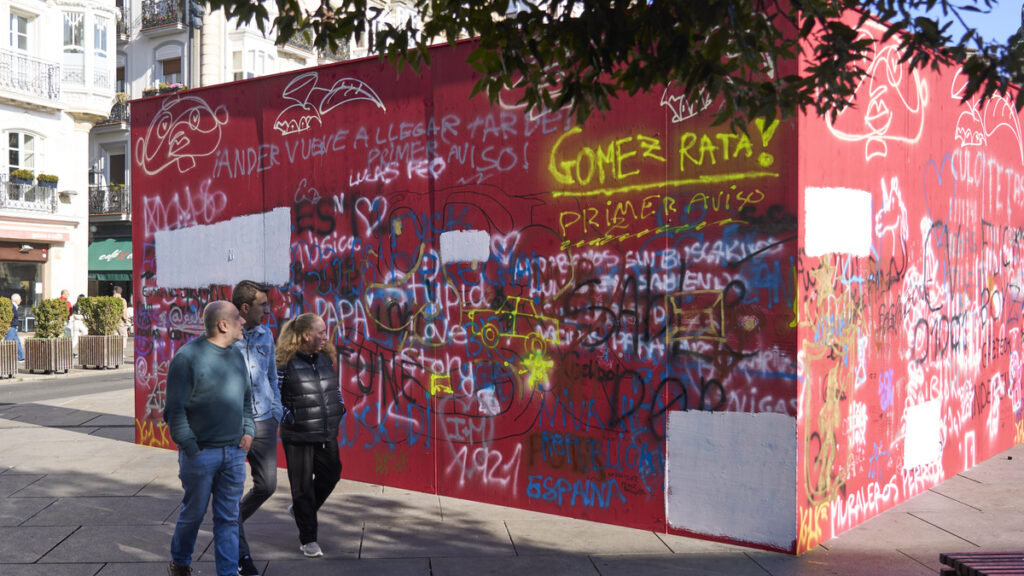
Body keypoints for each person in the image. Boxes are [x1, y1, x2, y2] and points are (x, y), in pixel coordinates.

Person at [163, 301, 254, 576]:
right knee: (193, 514)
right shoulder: (187, 358)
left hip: (234, 454)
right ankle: (180, 563)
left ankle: (228, 572)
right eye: (238, 318)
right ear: (223, 325)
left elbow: (247, 399)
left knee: (228, 518)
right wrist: (191, 447)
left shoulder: (237, 355)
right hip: (201, 455)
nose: (244, 322)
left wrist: (248, 428)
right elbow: (174, 411)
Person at [277, 313, 345, 558]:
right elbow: (273, 394)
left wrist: (340, 406)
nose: (326, 336)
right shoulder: (285, 361)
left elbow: (334, 387)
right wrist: (288, 416)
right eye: (321, 332)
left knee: (332, 472)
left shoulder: (325, 357)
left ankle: (300, 511)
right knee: (303, 488)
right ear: (306, 335)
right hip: (298, 433)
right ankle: (308, 539)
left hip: (326, 430)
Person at [231, 281, 281, 576]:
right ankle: (242, 557)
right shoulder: (226, 336)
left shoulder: (266, 335)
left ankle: (230, 521)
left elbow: (272, 376)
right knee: (230, 493)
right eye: (263, 305)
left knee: (267, 485)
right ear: (246, 308)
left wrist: (276, 411)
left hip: (264, 421)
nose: (268, 310)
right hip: (235, 427)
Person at [5, 293, 24, 361]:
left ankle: (21, 357)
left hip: (13, 327)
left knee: (17, 342)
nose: (21, 300)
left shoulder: (14, 306)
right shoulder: (12, 306)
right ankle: (4, 357)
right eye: (20, 299)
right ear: (17, 300)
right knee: (7, 342)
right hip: (11, 327)